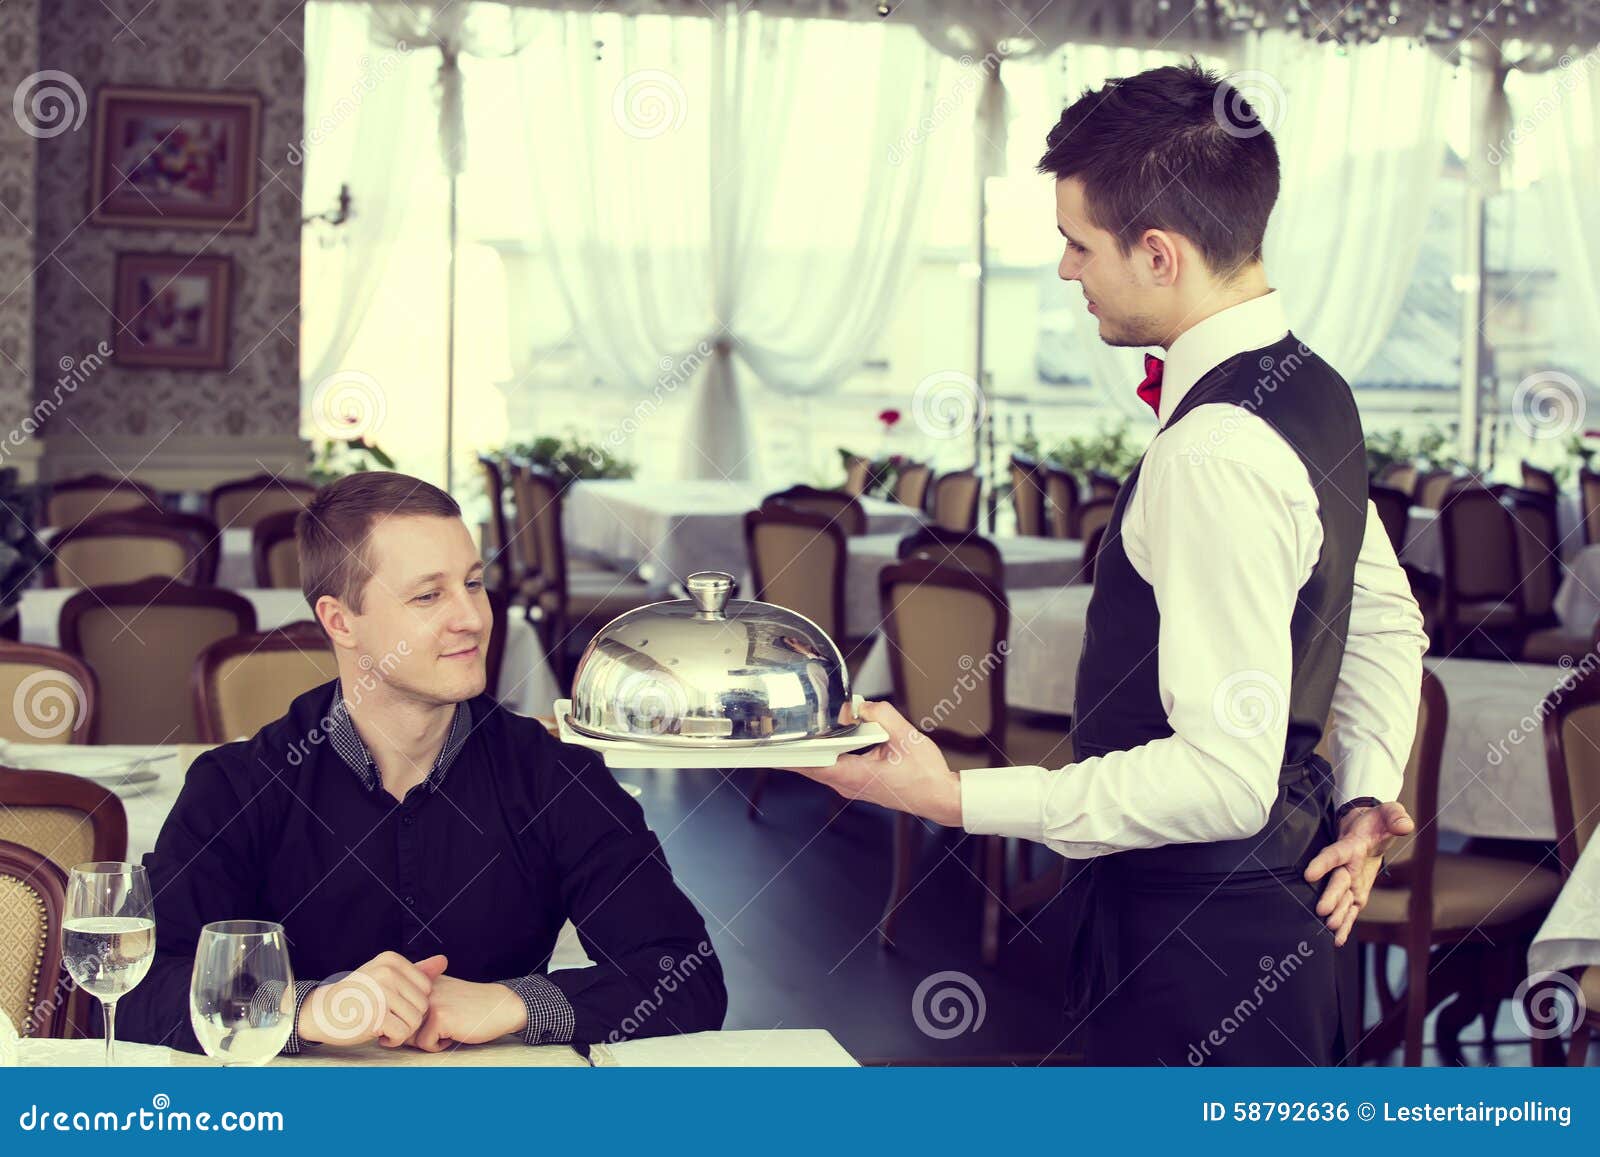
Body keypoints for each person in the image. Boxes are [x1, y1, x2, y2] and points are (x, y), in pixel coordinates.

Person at [786, 62, 1429, 1066]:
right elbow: (1386, 622)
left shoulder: (1215, 448)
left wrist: (950, 794)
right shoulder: (1317, 387)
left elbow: (1221, 782)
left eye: (1076, 244)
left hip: (1196, 951)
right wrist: (1364, 790)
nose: (1066, 270)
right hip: (1263, 928)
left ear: (1160, 254)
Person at [119, 471, 726, 1054]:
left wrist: (509, 1004)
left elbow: (687, 980)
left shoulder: (557, 779)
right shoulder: (237, 787)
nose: (472, 617)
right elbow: (140, 989)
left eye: (473, 582)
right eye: (428, 595)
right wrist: (307, 1008)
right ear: (339, 621)